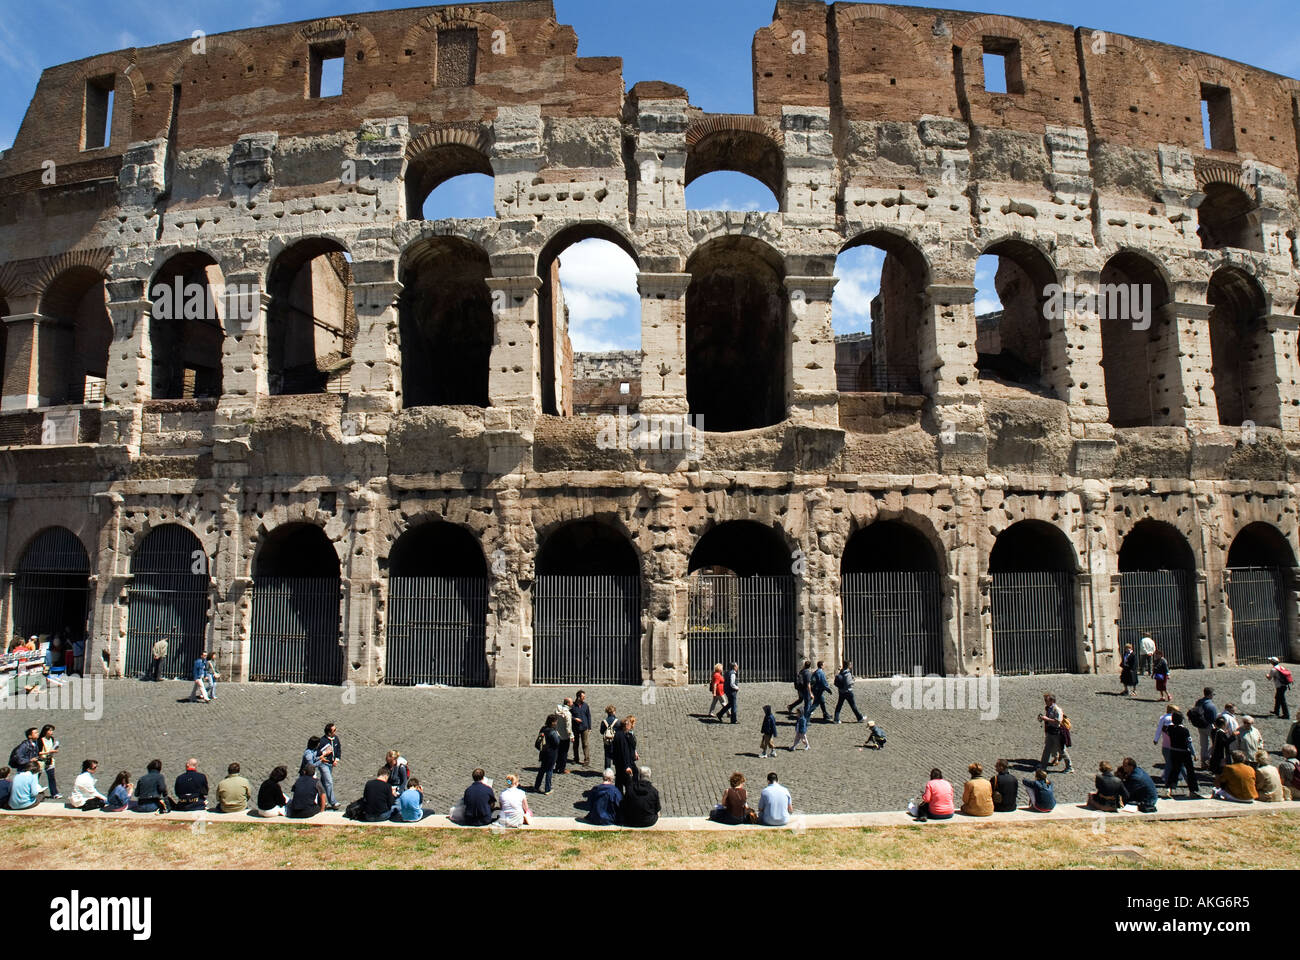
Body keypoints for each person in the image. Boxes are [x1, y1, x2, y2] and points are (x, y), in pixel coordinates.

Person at [1162, 711, 1203, 799]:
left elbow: (1164, 729)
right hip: (1184, 752)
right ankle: (1192, 790)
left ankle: (1168, 789)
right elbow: (1189, 743)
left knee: (1174, 770)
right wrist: (1194, 753)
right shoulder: (1184, 730)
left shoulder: (1170, 728)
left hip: (1173, 751)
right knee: (1190, 772)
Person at [1038, 693, 1071, 773]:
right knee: (1047, 749)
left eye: (1046, 700)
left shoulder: (1057, 710)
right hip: (1050, 732)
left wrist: (1046, 719)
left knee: (1061, 750)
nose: (1045, 702)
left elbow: (1058, 721)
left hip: (1057, 733)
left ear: (1052, 701)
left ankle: (1069, 767)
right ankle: (1043, 765)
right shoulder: (1049, 708)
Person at [611, 715, 639, 796]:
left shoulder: (621, 733)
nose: (630, 728)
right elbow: (624, 752)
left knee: (619, 780)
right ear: (626, 726)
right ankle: (628, 797)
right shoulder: (621, 736)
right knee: (627, 781)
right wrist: (627, 766)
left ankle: (619, 796)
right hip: (624, 763)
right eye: (629, 726)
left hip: (620, 762)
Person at [1191, 687, 1218, 769]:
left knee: (1203, 745)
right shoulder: (1211, 706)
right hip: (1209, 726)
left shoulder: (1199, 702)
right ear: (1210, 695)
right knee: (1216, 743)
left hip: (1200, 726)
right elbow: (1214, 719)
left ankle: (1203, 763)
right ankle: (1208, 758)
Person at [534, 714, 560, 795]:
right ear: (553, 722)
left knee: (542, 770)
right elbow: (557, 742)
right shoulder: (553, 731)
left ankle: (536, 786)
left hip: (543, 752)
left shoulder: (543, 729)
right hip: (551, 753)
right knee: (549, 770)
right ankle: (547, 789)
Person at [319, 723, 342, 811]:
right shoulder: (322, 741)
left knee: (323, 783)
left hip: (331, 764)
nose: (336, 731)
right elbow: (318, 753)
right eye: (334, 730)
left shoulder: (336, 739)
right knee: (329, 782)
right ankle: (333, 802)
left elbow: (338, 749)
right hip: (323, 764)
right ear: (329, 732)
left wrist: (336, 759)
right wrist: (325, 754)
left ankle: (321, 800)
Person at [37, 724, 60, 799]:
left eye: (52, 730)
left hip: (50, 761)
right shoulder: (40, 740)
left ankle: (54, 793)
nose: (51, 732)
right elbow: (38, 753)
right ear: (45, 731)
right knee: (36, 777)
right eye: (50, 730)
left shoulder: (52, 739)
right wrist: (48, 752)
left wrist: (54, 751)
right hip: (41, 762)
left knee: (51, 777)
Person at [1154, 704, 1178, 771]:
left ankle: (1167, 775)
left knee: (1168, 761)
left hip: (1166, 743)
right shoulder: (1176, 718)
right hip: (1175, 743)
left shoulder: (1163, 718)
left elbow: (1159, 729)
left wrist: (1156, 739)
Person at [572, 690, 592, 767]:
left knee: (585, 744)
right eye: (583, 696)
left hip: (584, 727)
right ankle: (576, 758)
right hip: (575, 727)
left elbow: (588, 716)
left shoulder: (585, 705)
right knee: (575, 744)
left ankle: (586, 760)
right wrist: (574, 718)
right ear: (578, 697)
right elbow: (569, 716)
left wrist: (589, 727)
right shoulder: (573, 706)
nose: (584, 698)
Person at [554, 698, 574, 776]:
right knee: (564, 752)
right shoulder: (567, 713)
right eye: (571, 702)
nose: (573, 703)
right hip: (564, 736)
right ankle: (562, 768)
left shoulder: (557, 710)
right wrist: (571, 735)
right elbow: (568, 726)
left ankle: (557, 766)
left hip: (557, 734)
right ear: (568, 703)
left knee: (558, 752)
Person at [599, 705, 619, 774]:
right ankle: (618, 771)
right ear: (613, 712)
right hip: (615, 742)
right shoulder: (617, 722)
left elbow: (601, 732)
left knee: (607, 756)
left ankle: (607, 771)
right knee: (616, 756)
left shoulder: (604, 722)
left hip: (607, 741)